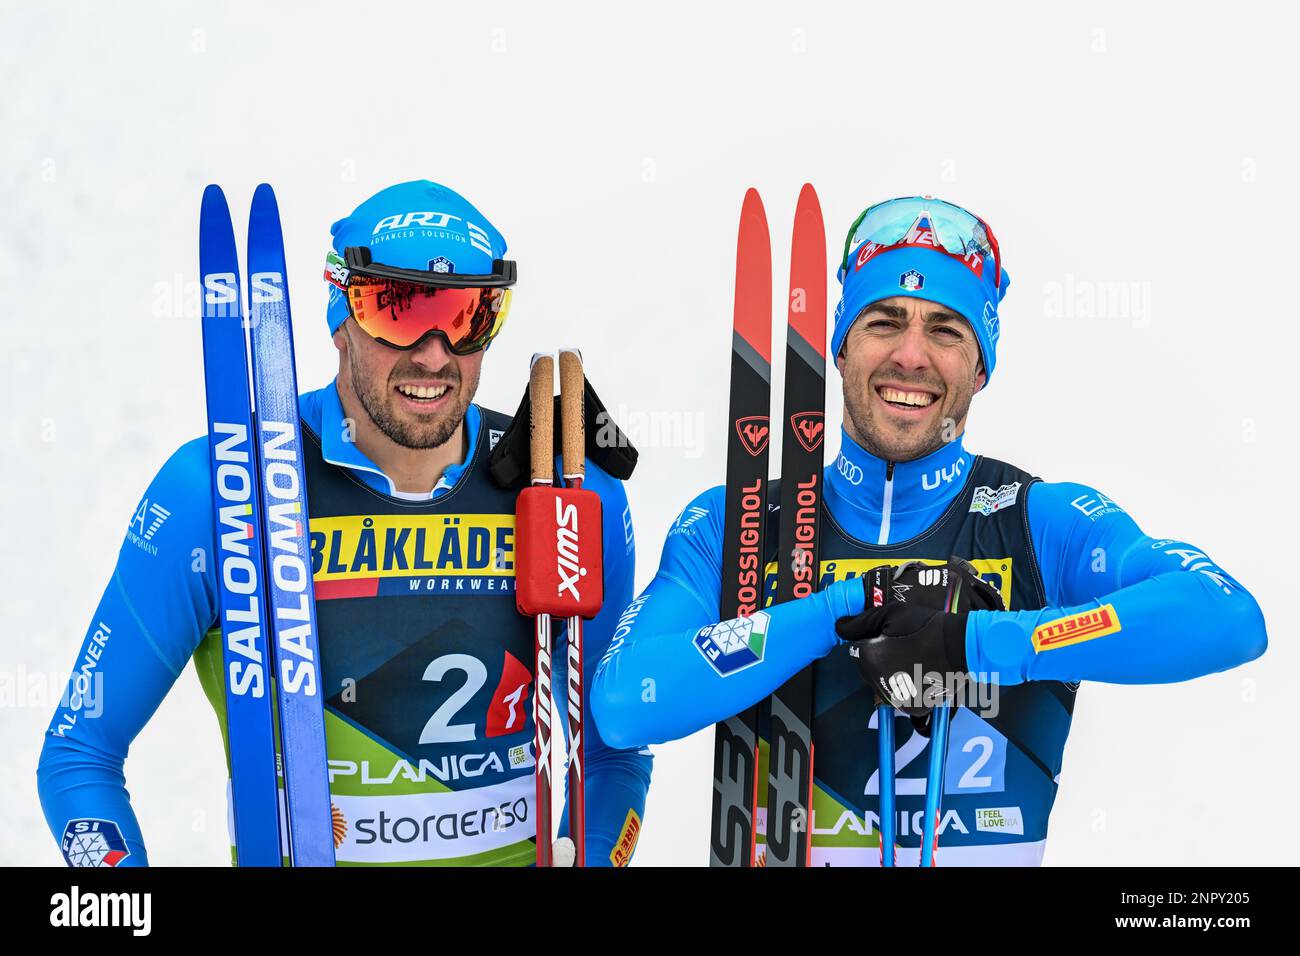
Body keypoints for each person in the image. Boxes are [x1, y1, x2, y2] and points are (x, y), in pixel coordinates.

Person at [591, 195, 1267, 865]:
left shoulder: (1038, 522)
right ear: (840, 345)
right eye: (884, 322)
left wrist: (982, 643)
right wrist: (840, 609)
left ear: (980, 365)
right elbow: (623, 704)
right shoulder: (733, 522)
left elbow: (1227, 614)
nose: (910, 356)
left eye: (946, 329)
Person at [38, 180, 650, 867]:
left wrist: (600, 859)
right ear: (340, 315)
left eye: (469, 315)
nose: (434, 352)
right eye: (397, 311)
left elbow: (613, 753)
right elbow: (78, 753)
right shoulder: (217, 489)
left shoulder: (569, 491)